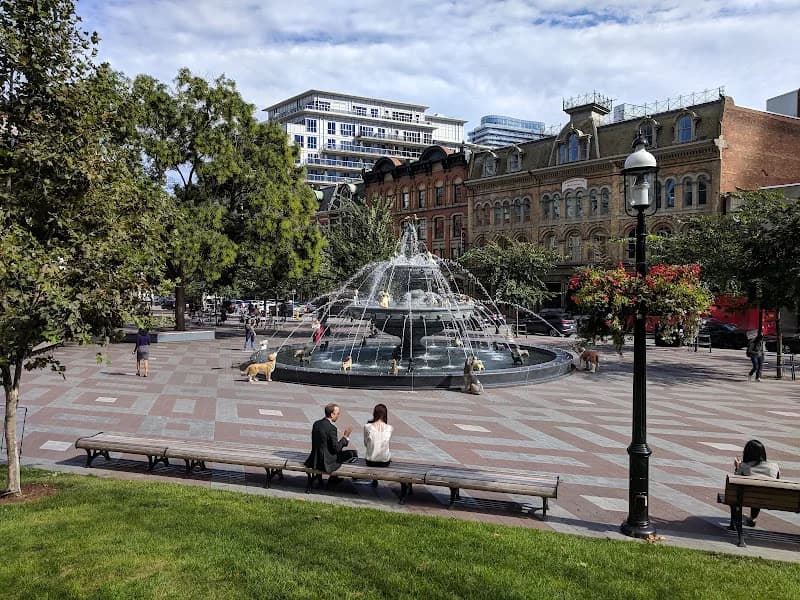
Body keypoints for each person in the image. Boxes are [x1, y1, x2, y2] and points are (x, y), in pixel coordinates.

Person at [304, 403, 357, 490]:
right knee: (352, 453)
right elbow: (336, 449)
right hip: (325, 463)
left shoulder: (316, 424)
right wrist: (345, 437)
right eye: (337, 414)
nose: (338, 416)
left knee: (341, 454)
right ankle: (333, 479)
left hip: (314, 460)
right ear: (332, 414)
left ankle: (333, 478)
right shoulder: (332, 428)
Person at [731, 439, 780, 527]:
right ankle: (753, 518)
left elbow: (735, 482)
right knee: (760, 492)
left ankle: (736, 521)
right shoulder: (774, 466)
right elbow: (777, 480)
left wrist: (737, 467)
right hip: (771, 499)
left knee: (743, 494)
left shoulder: (744, 466)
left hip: (747, 497)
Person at [363, 403, 393, 488]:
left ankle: (374, 480)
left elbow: (366, 444)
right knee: (386, 454)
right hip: (384, 462)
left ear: (374, 413)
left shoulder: (367, 427)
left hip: (370, 461)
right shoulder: (390, 428)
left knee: (372, 451)